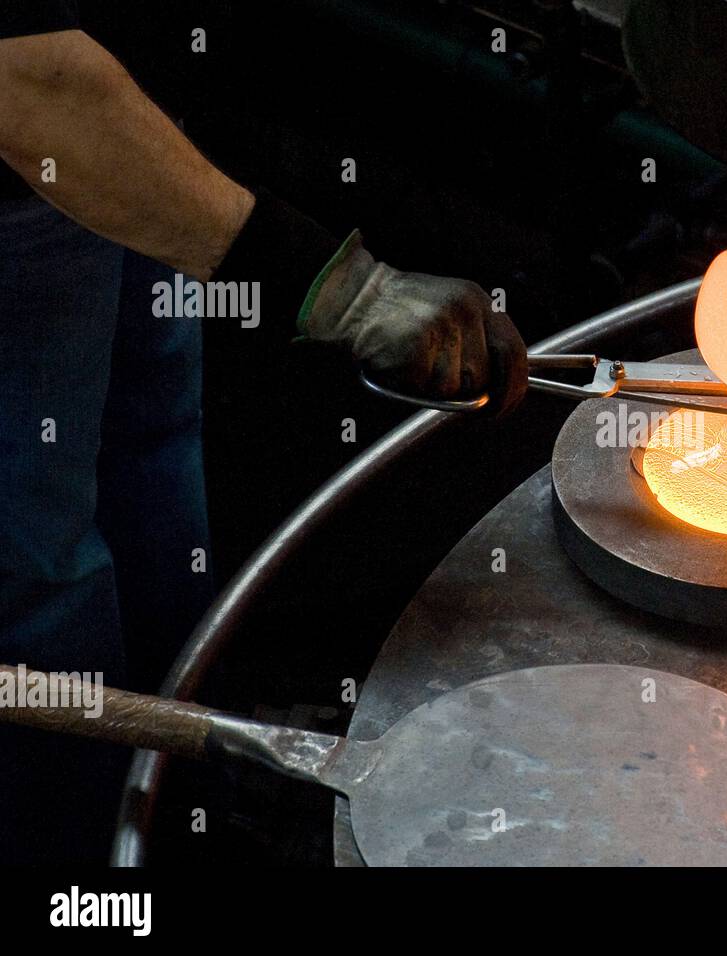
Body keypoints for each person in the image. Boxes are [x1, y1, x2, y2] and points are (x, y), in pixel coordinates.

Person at [0, 4, 529, 864]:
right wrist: (344, 294)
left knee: (151, 461)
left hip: (129, 120)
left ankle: (186, 788)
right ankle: (83, 859)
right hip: (29, 151)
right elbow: (29, 77)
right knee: (40, 576)